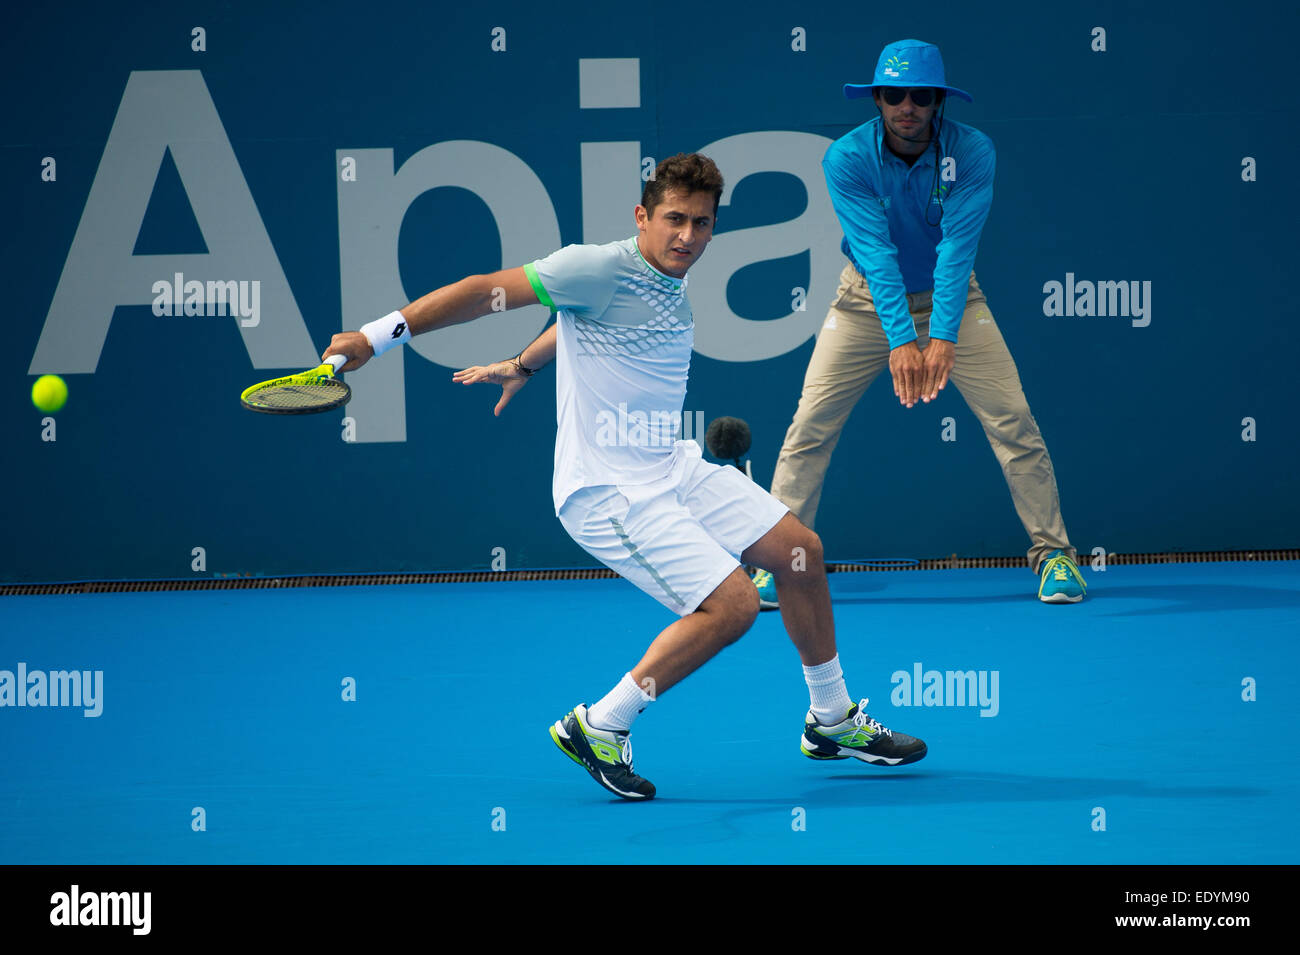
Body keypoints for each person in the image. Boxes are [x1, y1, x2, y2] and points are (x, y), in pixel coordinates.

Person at [324, 153, 927, 801]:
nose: (687, 236)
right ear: (642, 217)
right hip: (607, 491)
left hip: (669, 464)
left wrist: (523, 365)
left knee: (801, 552)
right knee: (734, 606)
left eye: (701, 223)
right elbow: (481, 290)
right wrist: (375, 336)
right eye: (673, 219)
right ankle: (602, 723)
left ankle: (831, 718)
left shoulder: (662, 278)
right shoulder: (596, 265)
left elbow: (588, 322)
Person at [754, 39, 1086, 609]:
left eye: (920, 95)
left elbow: (958, 247)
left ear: (939, 101)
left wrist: (944, 335)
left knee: (1014, 421)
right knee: (810, 424)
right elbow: (875, 252)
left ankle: (1055, 556)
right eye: (893, 94)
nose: (906, 105)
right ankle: (778, 563)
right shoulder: (847, 157)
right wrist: (904, 339)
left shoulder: (974, 150)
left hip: (954, 298)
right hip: (864, 302)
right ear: (877, 98)